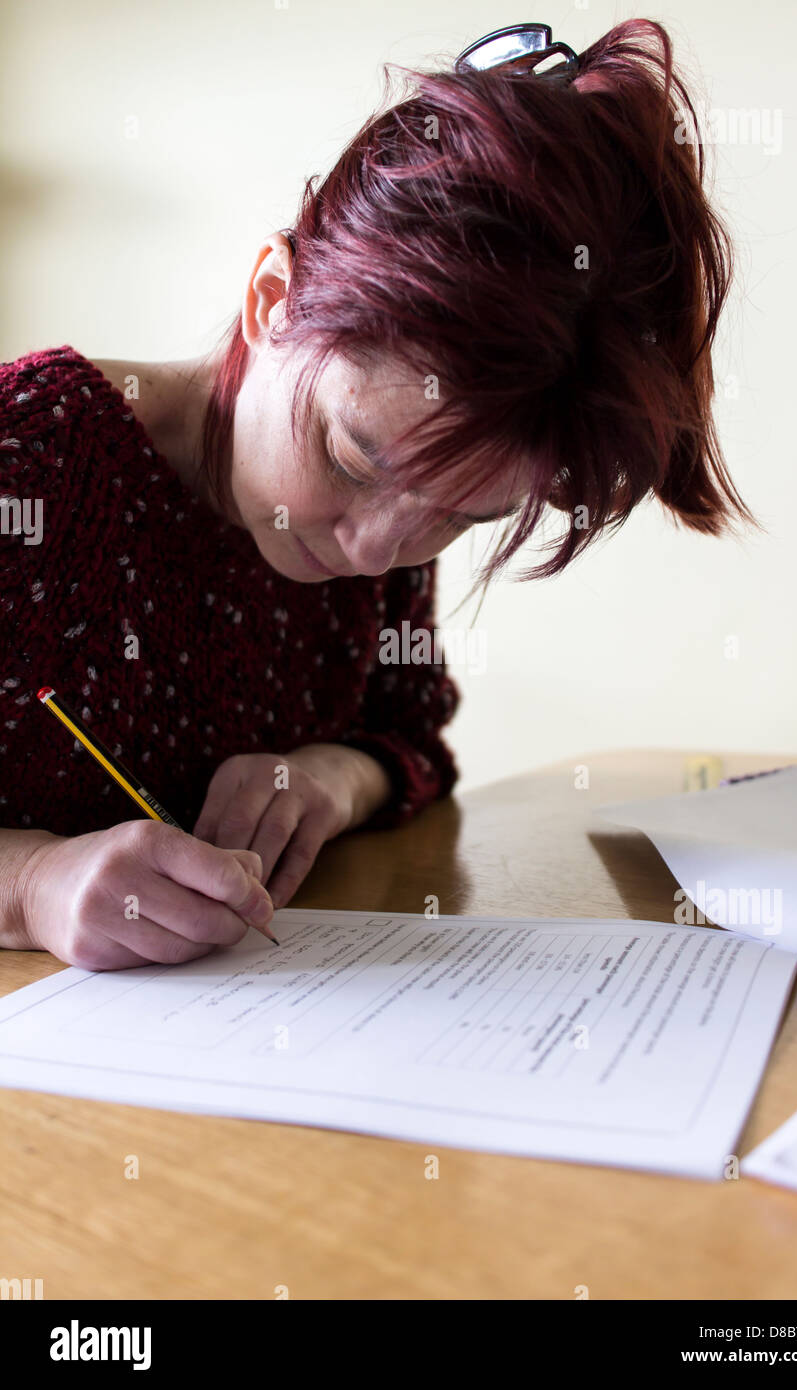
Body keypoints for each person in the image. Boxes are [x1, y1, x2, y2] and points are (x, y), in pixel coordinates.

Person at [0, 19, 755, 970]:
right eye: (355, 460)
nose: (375, 552)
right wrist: (31, 886)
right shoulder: (26, 457)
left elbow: (408, 738)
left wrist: (332, 778)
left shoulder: (395, 525)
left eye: (465, 515)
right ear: (273, 299)